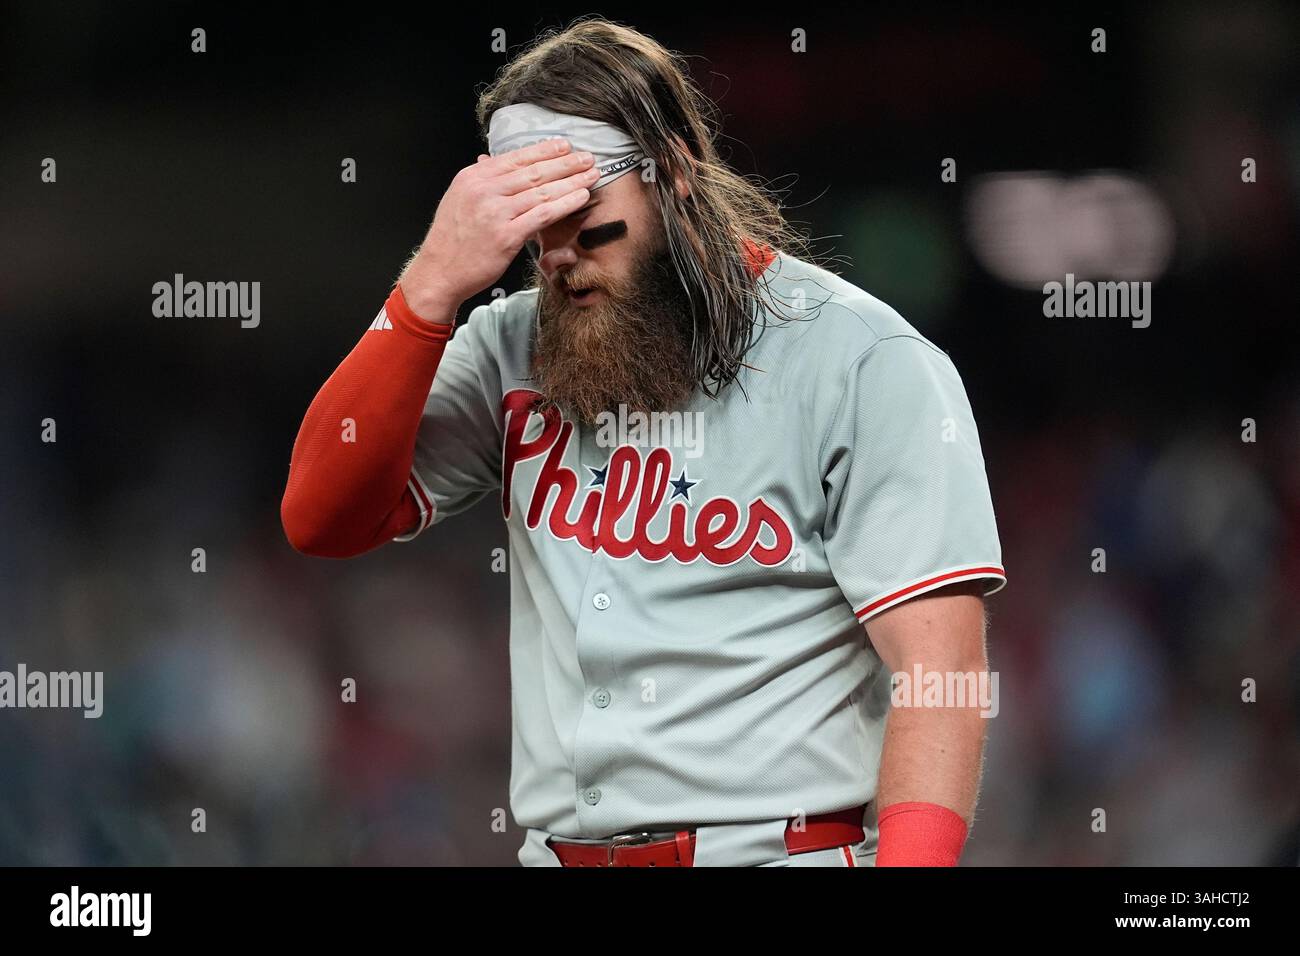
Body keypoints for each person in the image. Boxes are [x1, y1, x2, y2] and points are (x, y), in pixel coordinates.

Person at [281, 17, 1005, 867]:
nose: (564, 262)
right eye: (534, 239)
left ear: (674, 177)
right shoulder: (512, 345)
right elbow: (321, 517)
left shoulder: (859, 360)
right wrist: (430, 286)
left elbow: (942, 674)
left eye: (590, 228)